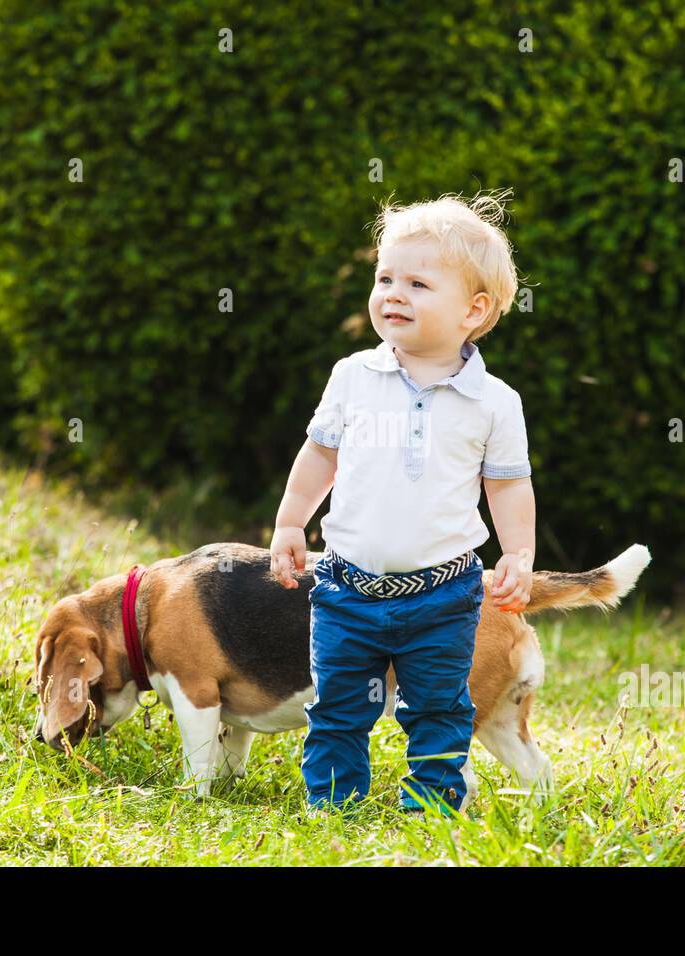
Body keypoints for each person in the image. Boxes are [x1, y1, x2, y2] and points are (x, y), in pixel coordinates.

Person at [269, 189, 535, 816]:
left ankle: (433, 806)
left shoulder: (495, 402)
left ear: (475, 310)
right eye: (384, 276)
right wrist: (289, 522)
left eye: (417, 283)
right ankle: (333, 805)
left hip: (444, 595)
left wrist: (519, 552)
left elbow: (508, 484)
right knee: (336, 705)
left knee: (442, 708)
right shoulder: (353, 376)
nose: (392, 292)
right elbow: (320, 456)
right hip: (346, 587)